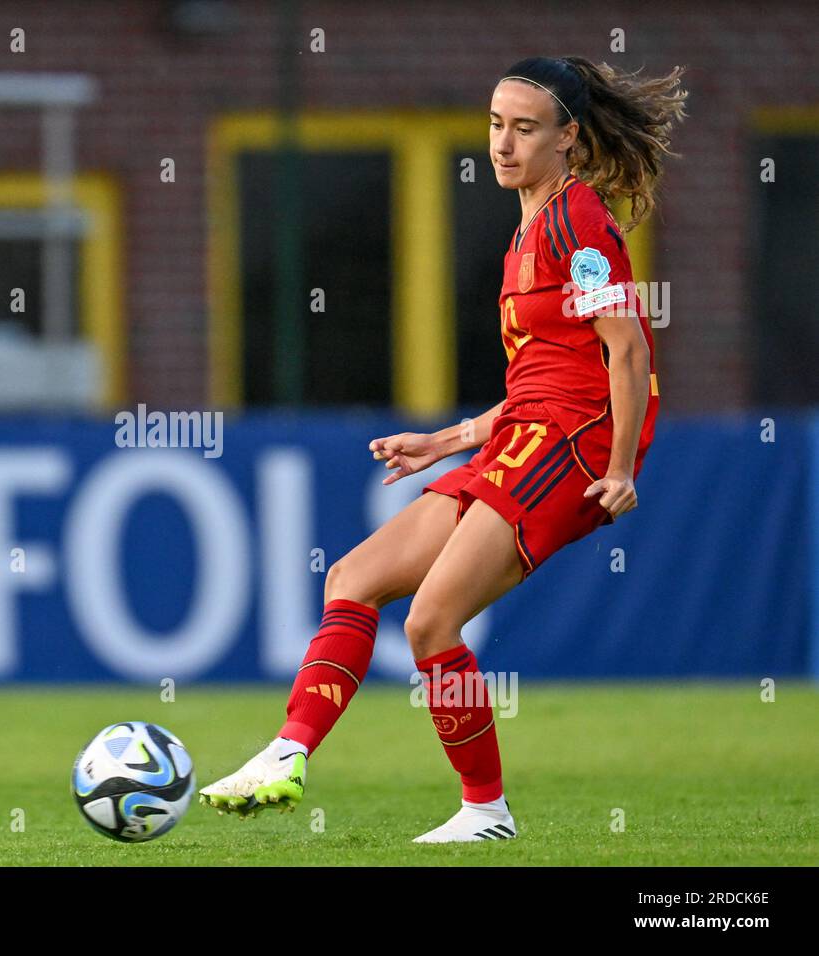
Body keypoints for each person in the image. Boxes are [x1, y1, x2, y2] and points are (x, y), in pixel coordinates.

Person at [199, 55, 688, 843]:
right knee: (354, 579)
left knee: (430, 623)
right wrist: (448, 440)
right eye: (496, 125)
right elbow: (542, 380)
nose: (503, 143)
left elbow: (626, 353)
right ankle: (285, 755)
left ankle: (485, 812)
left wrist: (622, 467)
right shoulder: (527, 228)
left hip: (570, 449)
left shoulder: (580, 223)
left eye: (525, 129)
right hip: (529, 433)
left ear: (569, 138)